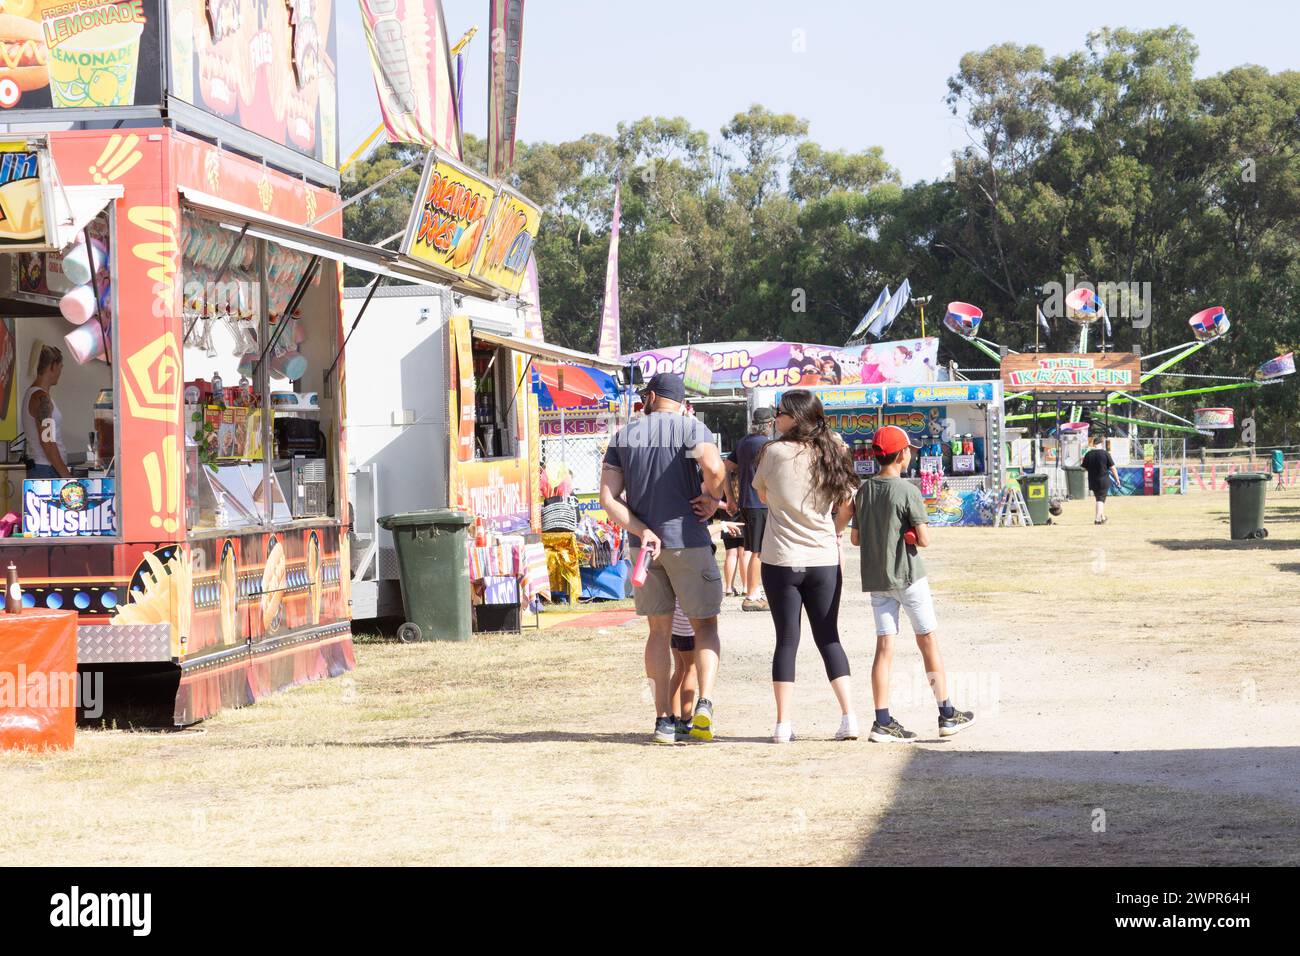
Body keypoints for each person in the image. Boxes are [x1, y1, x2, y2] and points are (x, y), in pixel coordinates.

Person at [600, 372, 728, 744]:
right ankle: (703, 703)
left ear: (651, 397)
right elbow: (715, 467)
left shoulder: (623, 437)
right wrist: (713, 498)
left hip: (646, 549)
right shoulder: (692, 429)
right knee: (705, 628)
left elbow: (609, 499)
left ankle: (663, 720)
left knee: (658, 633)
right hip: (688, 539)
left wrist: (643, 531)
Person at [852, 425, 975, 743]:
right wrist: (907, 534)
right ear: (902, 453)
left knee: (884, 648)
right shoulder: (907, 490)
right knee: (928, 642)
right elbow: (924, 539)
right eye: (909, 450)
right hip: (907, 575)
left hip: (877, 579)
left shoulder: (863, 490)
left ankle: (882, 720)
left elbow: (855, 538)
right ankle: (947, 714)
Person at [752, 390, 861, 743]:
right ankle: (849, 717)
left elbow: (762, 496)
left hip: (781, 558)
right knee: (829, 637)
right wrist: (836, 531)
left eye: (780, 414)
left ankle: (783, 724)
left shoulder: (772, 453)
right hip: (824, 557)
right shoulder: (833, 453)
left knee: (787, 640)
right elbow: (847, 505)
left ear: (795, 418)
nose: (775, 420)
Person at [728, 406, 774, 611]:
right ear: (770, 424)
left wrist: (730, 497)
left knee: (751, 550)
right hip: (760, 503)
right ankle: (752, 594)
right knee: (758, 552)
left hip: (746, 502)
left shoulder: (744, 442)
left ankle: (754, 591)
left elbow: (725, 468)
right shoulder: (767, 445)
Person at [23, 344, 71, 479]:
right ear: (53, 366)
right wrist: (66, 475)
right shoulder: (41, 398)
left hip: (44, 468)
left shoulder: (34, 394)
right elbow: (47, 442)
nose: (60, 373)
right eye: (60, 368)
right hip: (47, 469)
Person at [1082, 433, 1119, 524]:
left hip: (1093, 480)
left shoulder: (1088, 454)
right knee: (1100, 500)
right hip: (1103, 480)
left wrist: (1091, 470)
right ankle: (1097, 519)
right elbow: (1113, 468)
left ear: (1094, 444)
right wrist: (1117, 479)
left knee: (1099, 499)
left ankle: (1102, 517)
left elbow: (1084, 467)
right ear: (1101, 444)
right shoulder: (1105, 454)